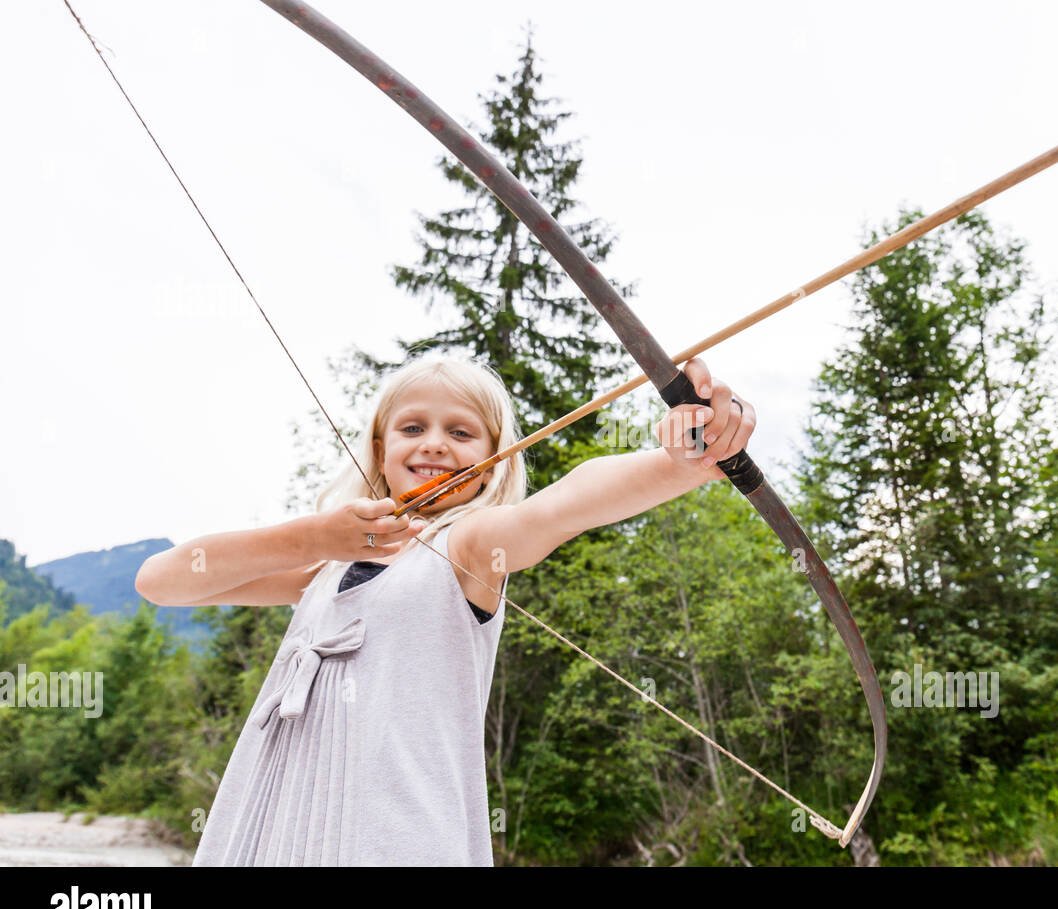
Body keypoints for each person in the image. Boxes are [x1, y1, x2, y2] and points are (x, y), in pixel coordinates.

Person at [135, 353, 755, 865]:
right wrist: (313, 539)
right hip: (277, 832)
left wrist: (688, 456)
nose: (434, 445)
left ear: (493, 459)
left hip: (397, 841)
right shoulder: (321, 568)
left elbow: (565, 506)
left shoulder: (470, 545)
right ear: (379, 449)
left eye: (461, 433)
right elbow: (161, 581)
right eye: (412, 428)